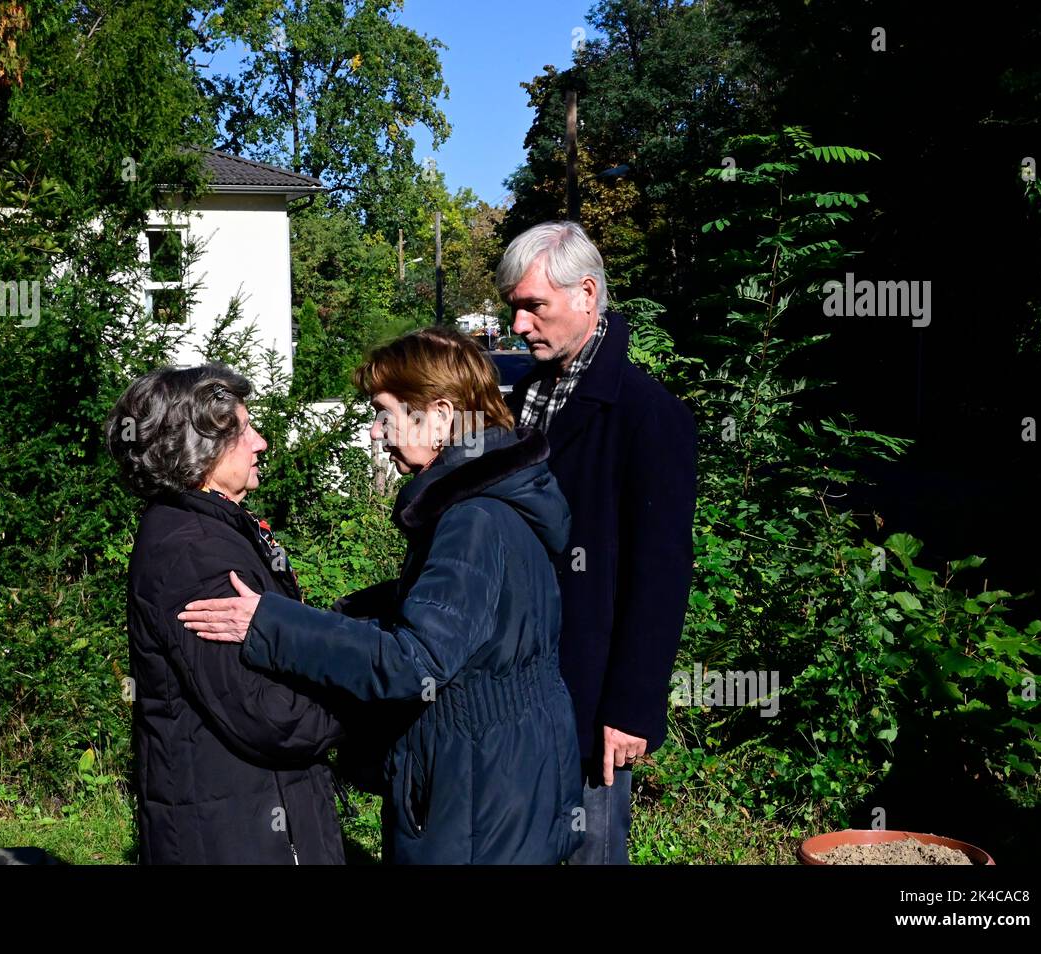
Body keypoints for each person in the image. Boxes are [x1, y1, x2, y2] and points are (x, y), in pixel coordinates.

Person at [180, 328, 585, 864]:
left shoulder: (473, 520)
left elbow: (412, 661)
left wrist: (270, 625)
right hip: (511, 778)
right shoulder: (497, 498)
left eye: (385, 413)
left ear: (439, 417)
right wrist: (356, 613)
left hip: (474, 800)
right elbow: (472, 612)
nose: (376, 432)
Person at [496, 221, 697, 865]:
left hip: (588, 694)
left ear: (586, 294)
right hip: (512, 683)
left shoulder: (646, 413)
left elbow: (661, 573)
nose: (520, 325)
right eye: (514, 309)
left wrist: (632, 706)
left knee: (589, 852)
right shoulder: (528, 394)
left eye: (533, 306)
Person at [105, 365, 348, 864]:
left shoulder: (208, 530)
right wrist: (358, 698)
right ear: (201, 451)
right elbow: (267, 713)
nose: (260, 443)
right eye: (244, 430)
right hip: (237, 833)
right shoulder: (194, 555)